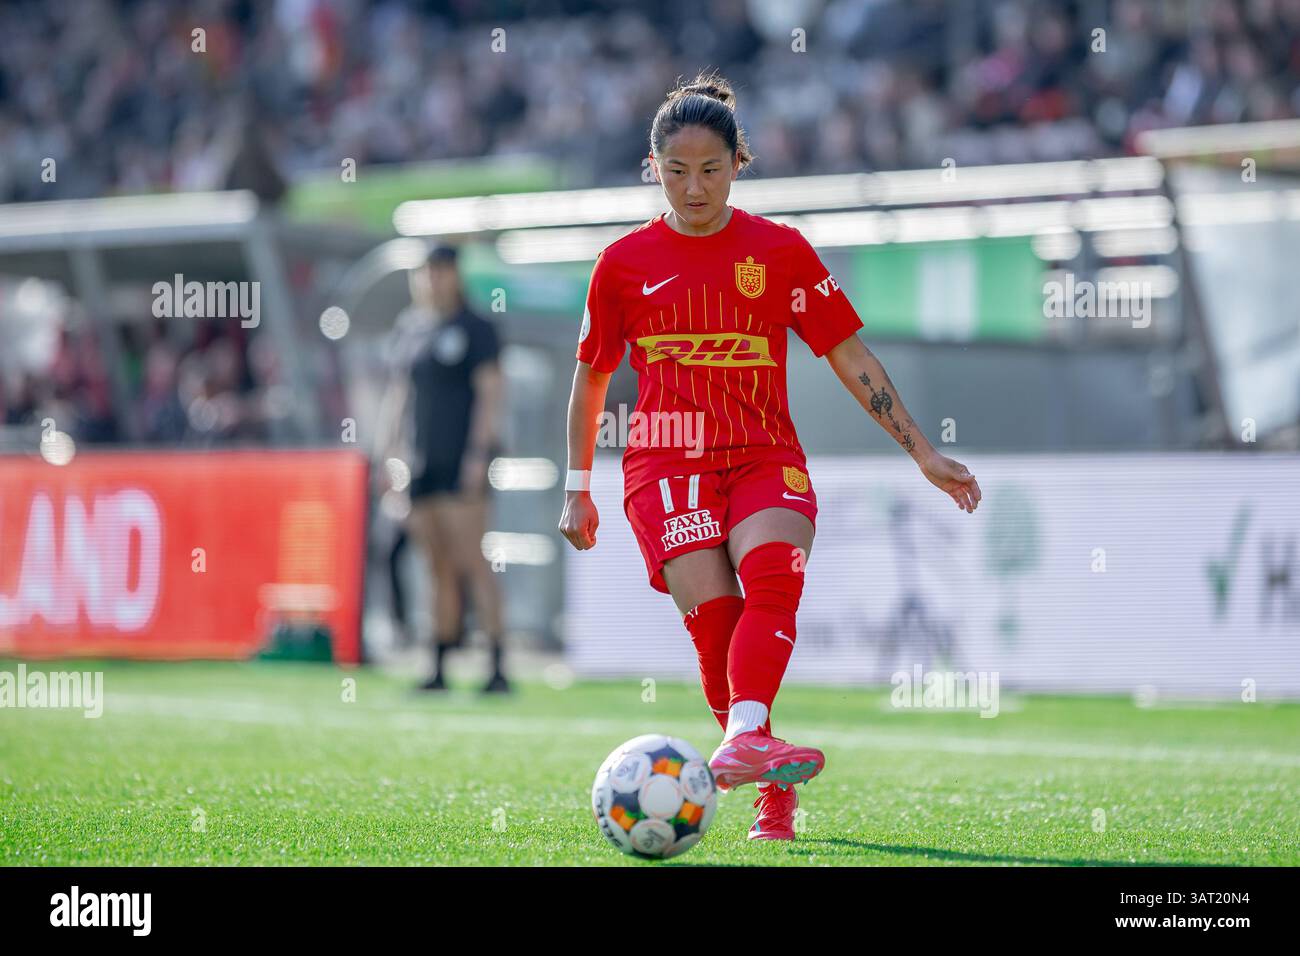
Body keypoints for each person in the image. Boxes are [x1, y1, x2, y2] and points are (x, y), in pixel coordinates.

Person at [558, 72, 981, 841]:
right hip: (666, 464)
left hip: (763, 454)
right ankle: (767, 779)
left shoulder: (778, 252)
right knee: (717, 629)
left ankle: (746, 739)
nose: (694, 188)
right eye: (677, 171)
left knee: (773, 574)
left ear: (739, 165)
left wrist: (922, 452)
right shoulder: (621, 264)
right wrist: (577, 487)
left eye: (711, 171)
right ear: (653, 167)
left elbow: (848, 356)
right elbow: (591, 378)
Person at [378, 244, 509, 693]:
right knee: (435, 565)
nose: (433, 280)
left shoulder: (476, 328)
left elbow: (490, 395)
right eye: (426, 272)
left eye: (441, 271)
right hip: (419, 462)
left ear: (455, 274)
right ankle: (438, 663)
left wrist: (478, 454)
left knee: (472, 560)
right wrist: (389, 454)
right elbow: (397, 397)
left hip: (460, 461)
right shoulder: (410, 329)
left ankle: (496, 663)